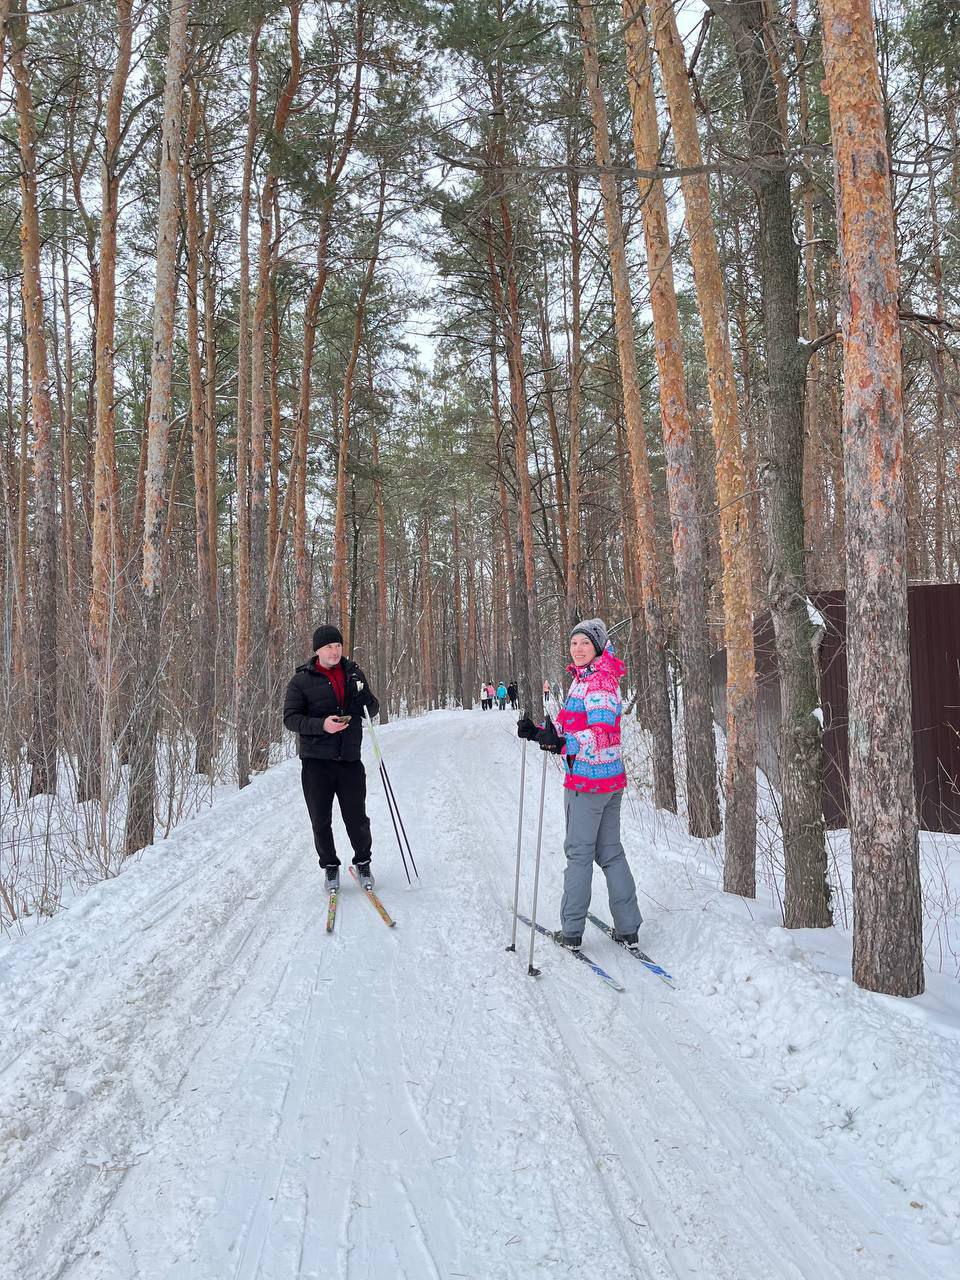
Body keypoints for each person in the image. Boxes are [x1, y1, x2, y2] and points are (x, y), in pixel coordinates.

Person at [517, 618, 642, 950]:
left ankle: (571, 930)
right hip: (608, 781)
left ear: (598, 646)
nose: (578, 649)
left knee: (580, 854)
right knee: (610, 852)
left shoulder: (598, 682)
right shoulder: (586, 679)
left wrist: (563, 743)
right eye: (574, 643)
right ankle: (628, 926)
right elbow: (569, 727)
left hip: (587, 783)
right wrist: (539, 733)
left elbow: (601, 735)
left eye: (585, 642)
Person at [282, 624, 380, 893]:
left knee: (357, 817)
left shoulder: (353, 673)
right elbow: (290, 719)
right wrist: (322, 725)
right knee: (320, 819)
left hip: (349, 759)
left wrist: (364, 697)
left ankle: (363, 862)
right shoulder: (301, 680)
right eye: (329, 647)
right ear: (318, 650)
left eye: (338, 646)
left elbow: (372, 709)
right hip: (316, 763)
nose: (335, 651)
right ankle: (330, 866)